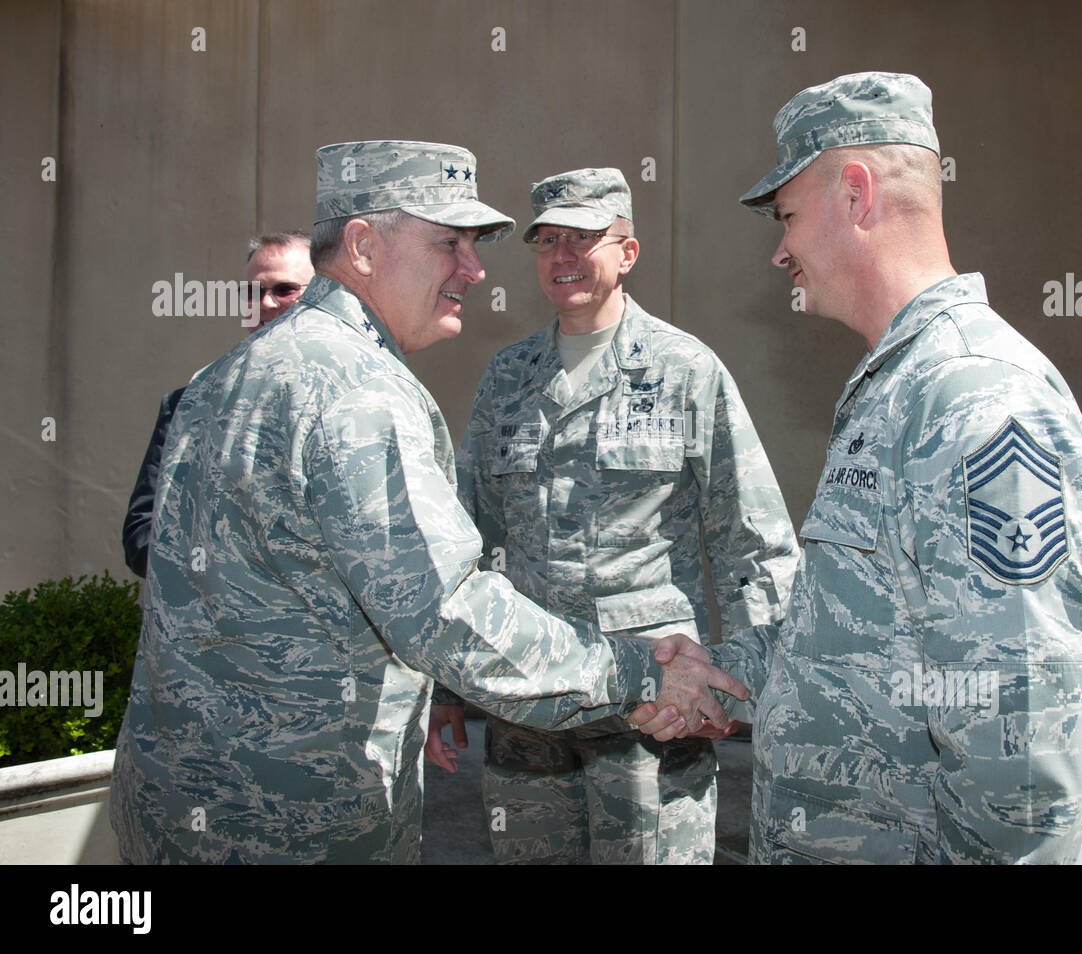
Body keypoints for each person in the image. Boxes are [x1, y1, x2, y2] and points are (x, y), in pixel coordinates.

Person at [107, 141, 745, 864]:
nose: (474, 269)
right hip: (298, 822)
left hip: (174, 805)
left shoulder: (224, 376)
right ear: (363, 246)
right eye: (449, 243)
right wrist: (637, 676)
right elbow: (444, 609)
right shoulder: (358, 390)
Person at [631, 73, 1082, 864]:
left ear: (855, 194)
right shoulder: (900, 385)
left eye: (786, 215)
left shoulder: (977, 398)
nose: (779, 250)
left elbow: (1025, 749)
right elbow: (867, 630)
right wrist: (731, 674)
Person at [435, 168, 798, 864]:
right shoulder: (508, 376)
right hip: (529, 709)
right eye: (546, 242)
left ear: (627, 253)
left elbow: (752, 543)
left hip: (657, 711)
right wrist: (447, 691)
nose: (562, 257)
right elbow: (467, 537)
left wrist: (749, 690)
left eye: (583, 239)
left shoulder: (686, 370)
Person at [121, 232, 315, 578]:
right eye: (254, 293)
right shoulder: (190, 401)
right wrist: (219, 574)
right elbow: (141, 532)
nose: (266, 304)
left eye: (285, 289)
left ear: (320, 297)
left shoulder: (350, 399)